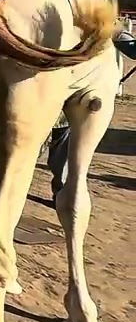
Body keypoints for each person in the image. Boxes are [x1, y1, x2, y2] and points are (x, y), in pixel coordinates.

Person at [44, 26, 136, 203]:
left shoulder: (95, 15)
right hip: (48, 95)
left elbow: (125, 42)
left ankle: (62, 192)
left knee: (60, 147)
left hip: (68, 100)